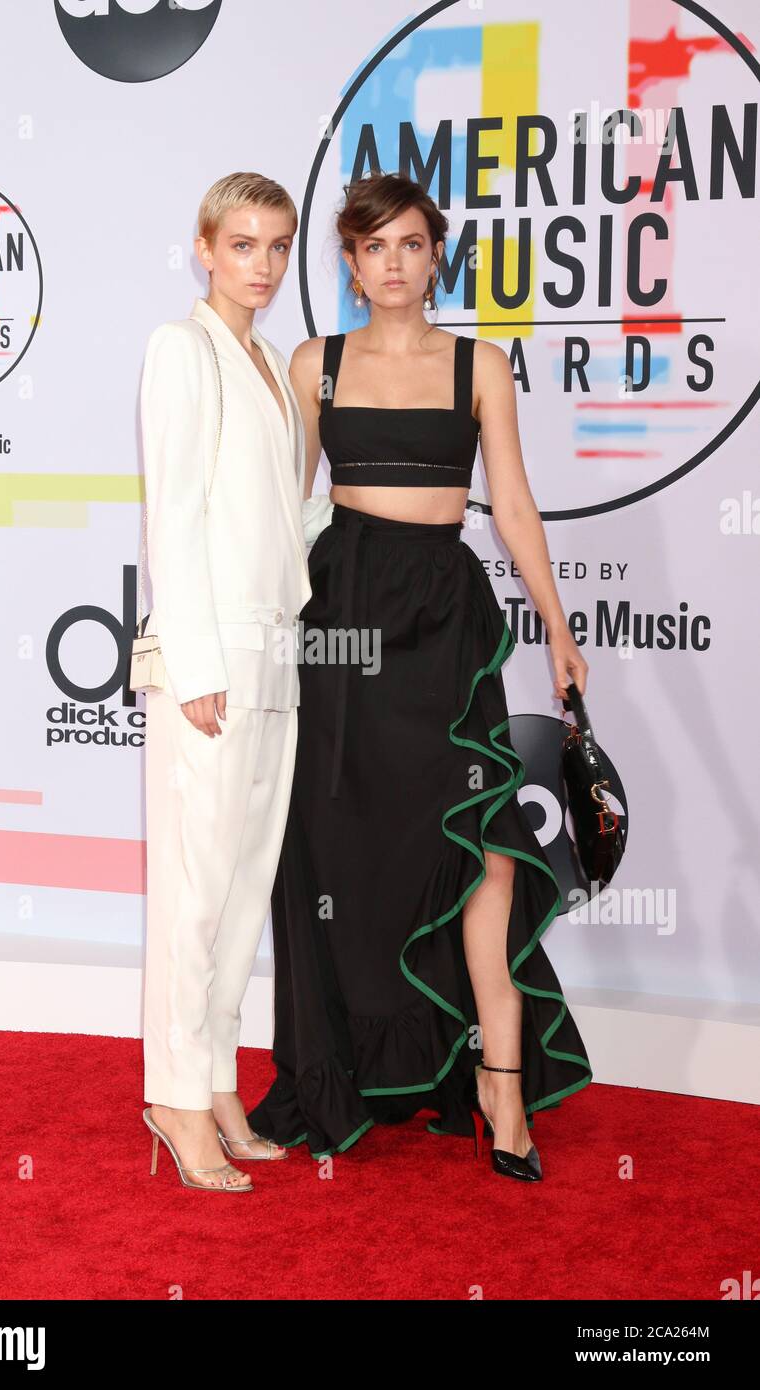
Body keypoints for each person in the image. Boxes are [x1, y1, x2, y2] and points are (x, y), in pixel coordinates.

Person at [247, 171, 593, 1181]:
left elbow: (515, 508)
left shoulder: (479, 366)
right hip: (340, 622)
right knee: (336, 847)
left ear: (432, 253)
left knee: (480, 844)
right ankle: (343, 1065)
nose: (392, 263)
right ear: (348, 265)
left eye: (408, 243)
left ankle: (499, 1081)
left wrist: (558, 630)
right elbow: (282, 512)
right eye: (371, 247)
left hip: (443, 623)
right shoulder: (313, 362)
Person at [140, 172, 312, 1193]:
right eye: (241, 244)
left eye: (276, 246)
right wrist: (197, 666)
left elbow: (268, 524)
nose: (260, 264)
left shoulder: (265, 366)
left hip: (274, 654)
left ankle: (211, 1083)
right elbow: (178, 519)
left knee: (241, 891)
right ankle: (169, 1091)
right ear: (203, 247)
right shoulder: (184, 349)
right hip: (210, 662)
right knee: (195, 893)